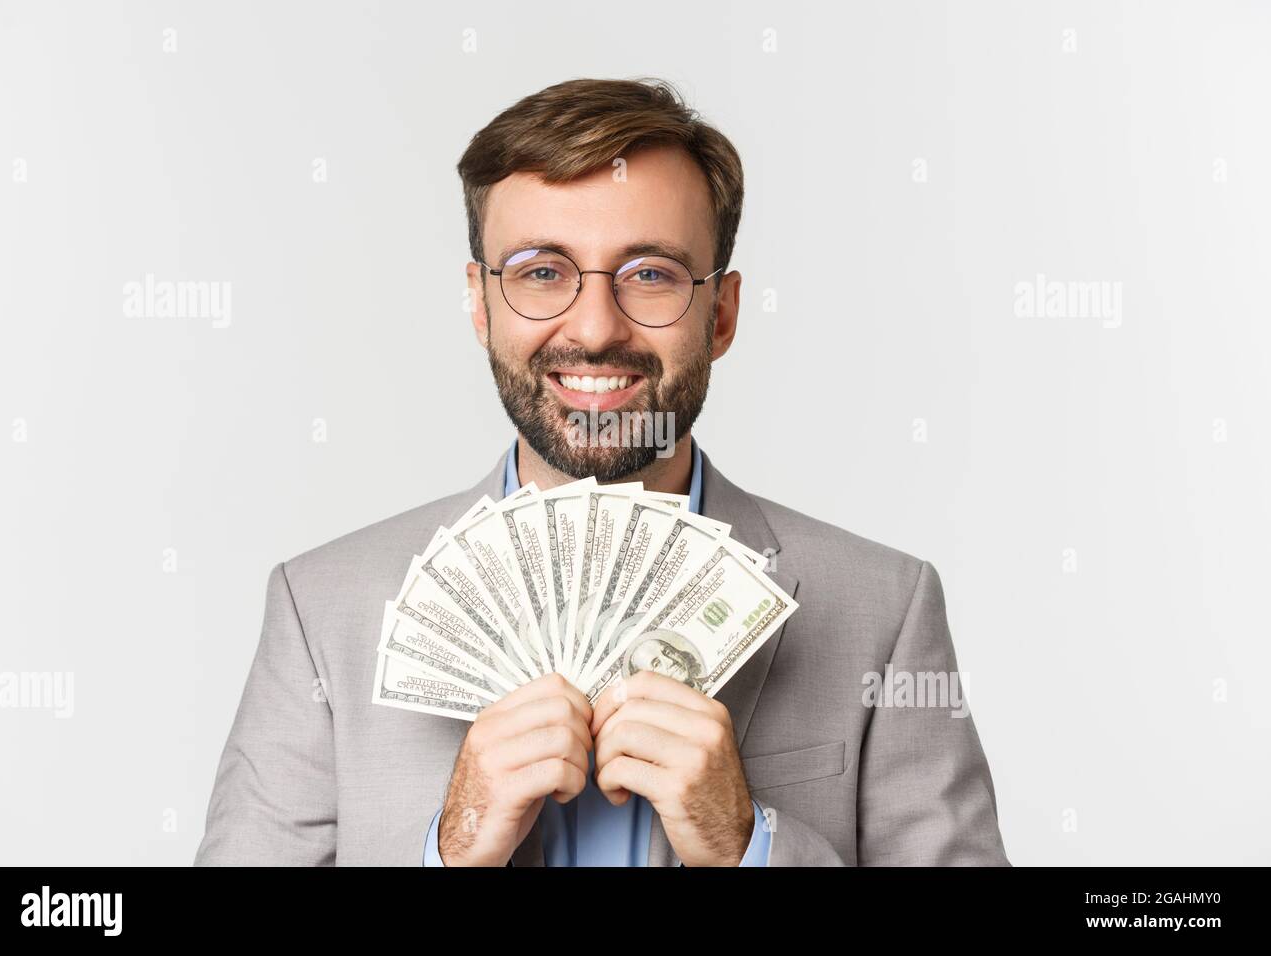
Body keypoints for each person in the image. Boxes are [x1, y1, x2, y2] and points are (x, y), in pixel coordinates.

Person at [195, 77, 1009, 867]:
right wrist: (449, 853)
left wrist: (749, 849)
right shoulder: (320, 612)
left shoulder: (884, 611)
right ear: (481, 303)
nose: (593, 328)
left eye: (650, 274)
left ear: (719, 313)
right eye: (541, 272)